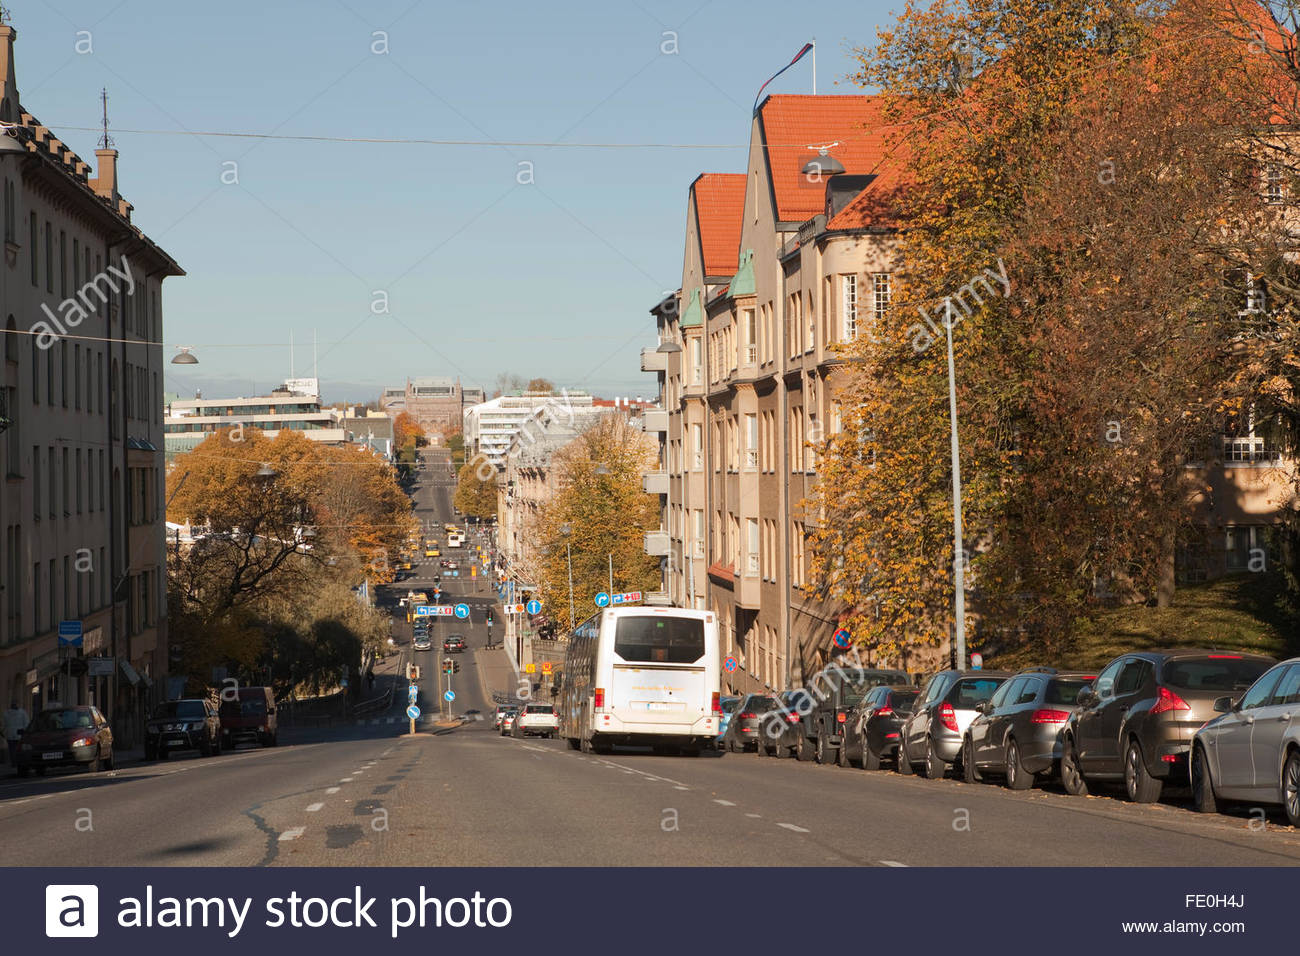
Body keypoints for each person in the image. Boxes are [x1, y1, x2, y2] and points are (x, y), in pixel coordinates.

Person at [3, 699, 29, 768]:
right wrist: (25, 732)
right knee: (19, 749)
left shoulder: (6, 713)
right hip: (19, 734)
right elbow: (26, 724)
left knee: (12, 750)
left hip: (10, 735)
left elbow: (4, 724)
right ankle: (19, 762)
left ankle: (13, 763)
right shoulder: (23, 713)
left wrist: (4, 733)